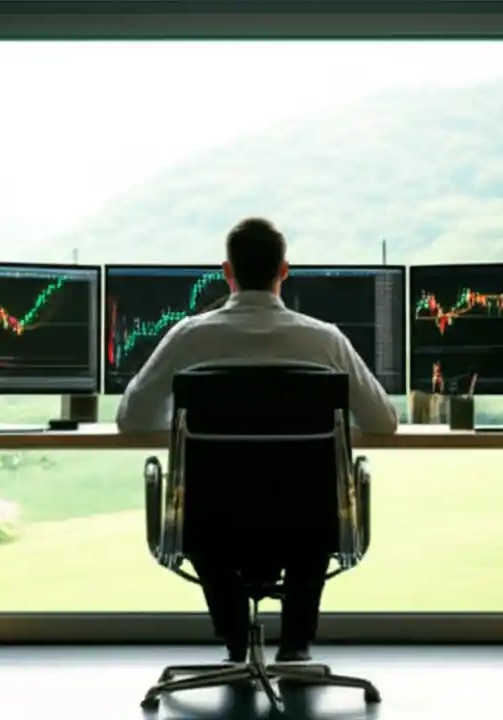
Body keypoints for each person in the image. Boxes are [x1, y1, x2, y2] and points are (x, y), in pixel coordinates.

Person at [116, 217, 398, 663]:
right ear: (284, 270)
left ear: (226, 272)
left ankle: (235, 643)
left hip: (210, 523)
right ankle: (296, 646)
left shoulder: (189, 336)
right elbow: (384, 423)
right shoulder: (325, 341)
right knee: (308, 521)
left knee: (209, 529)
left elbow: (130, 421)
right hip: (310, 525)